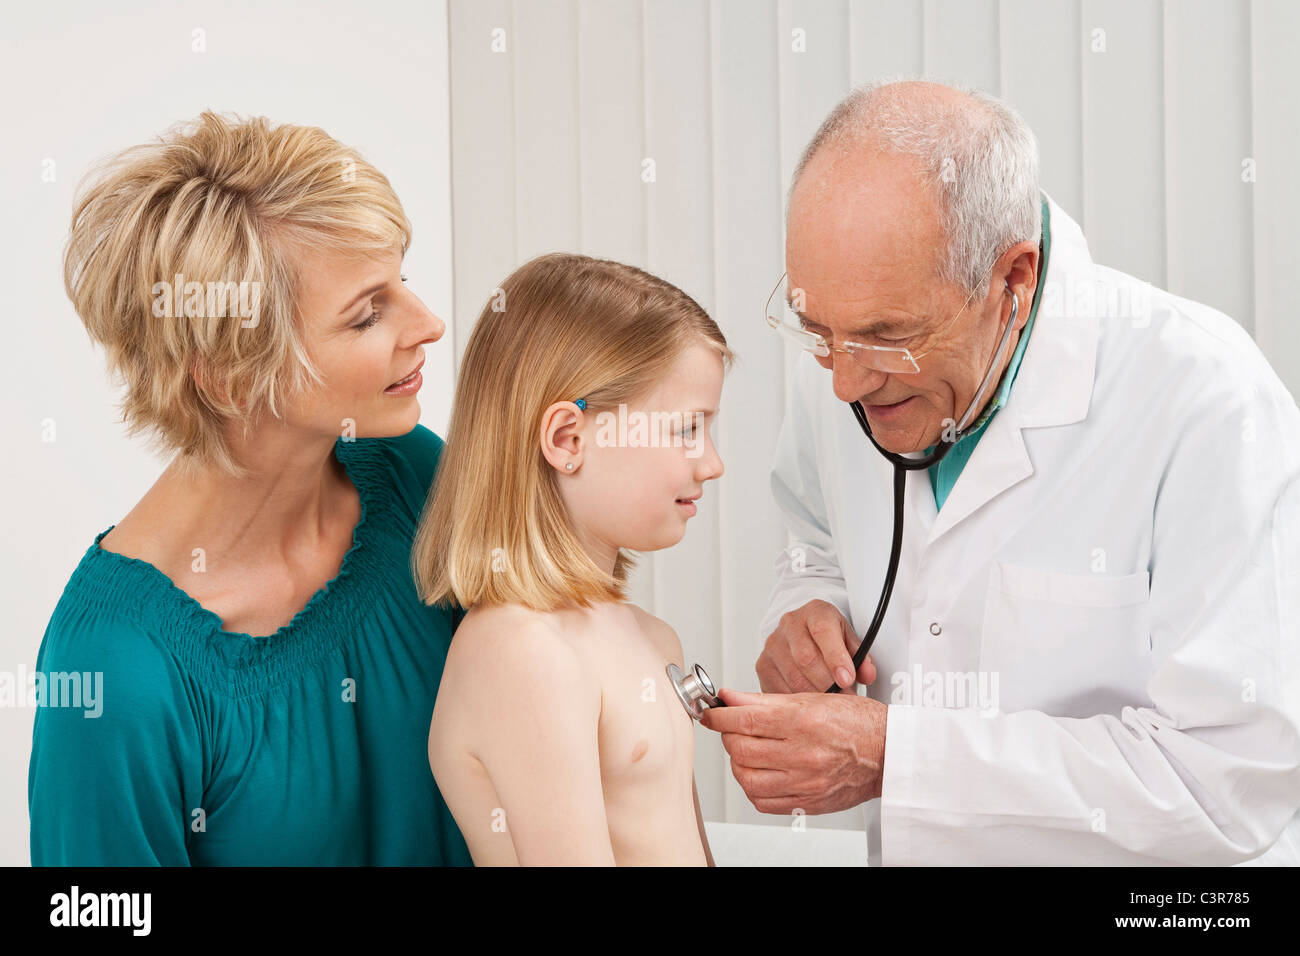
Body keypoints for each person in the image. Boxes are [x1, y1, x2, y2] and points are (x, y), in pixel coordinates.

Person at [701, 79, 1300, 865]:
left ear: (1013, 278)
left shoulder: (1204, 399)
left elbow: (1232, 783)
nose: (844, 381)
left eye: (889, 337)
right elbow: (813, 535)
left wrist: (898, 756)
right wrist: (809, 608)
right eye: (819, 332)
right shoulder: (851, 354)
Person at [29, 111, 470, 865]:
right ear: (232, 375)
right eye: (368, 314)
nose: (427, 323)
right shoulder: (116, 678)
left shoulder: (416, 477)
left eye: (403, 282)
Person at [419, 253, 728, 865]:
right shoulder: (521, 652)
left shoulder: (651, 638)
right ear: (568, 440)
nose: (712, 462)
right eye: (686, 429)